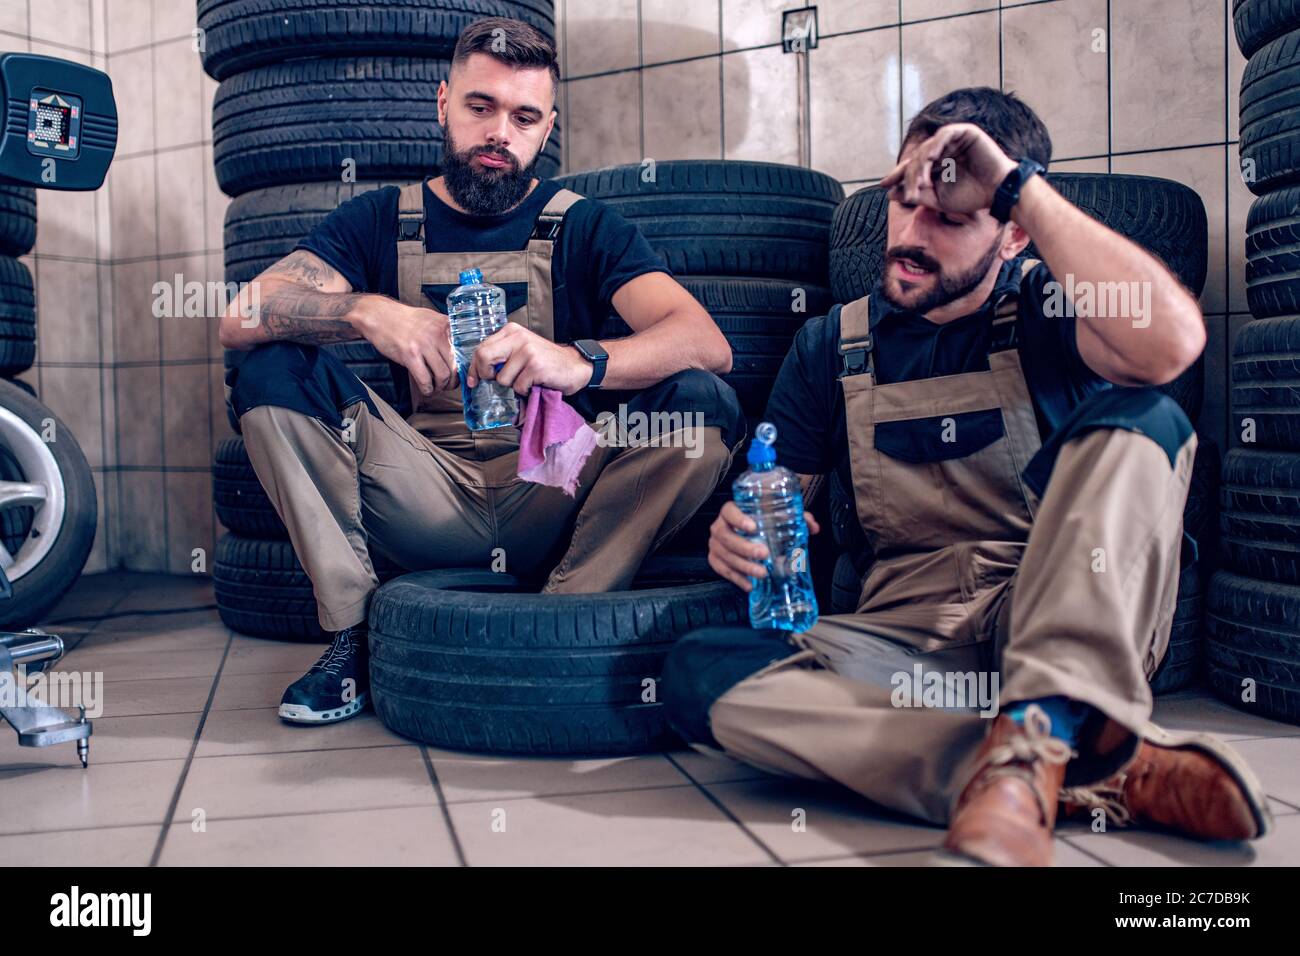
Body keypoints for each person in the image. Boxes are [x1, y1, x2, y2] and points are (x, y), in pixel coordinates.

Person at [662, 88, 1270, 866]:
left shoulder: (1053, 311)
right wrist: (736, 533)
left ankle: (1040, 729)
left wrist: (1013, 182)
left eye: (950, 217)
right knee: (699, 673)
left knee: (1149, 419)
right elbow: (778, 507)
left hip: (1053, 612)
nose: (913, 235)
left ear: (1013, 232)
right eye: (906, 203)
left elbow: (1173, 346)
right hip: (904, 643)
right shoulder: (830, 347)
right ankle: (1075, 765)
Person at [219, 17, 742, 726]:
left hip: (557, 491)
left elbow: (707, 343)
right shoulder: (379, 219)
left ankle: (564, 621)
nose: (501, 132)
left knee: (699, 403)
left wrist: (577, 362)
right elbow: (240, 315)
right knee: (271, 365)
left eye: (524, 117)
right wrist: (368, 312)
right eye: (480, 107)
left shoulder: (583, 225)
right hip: (421, 490)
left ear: (546, 127)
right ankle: (354, 636)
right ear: (443, 103)